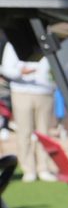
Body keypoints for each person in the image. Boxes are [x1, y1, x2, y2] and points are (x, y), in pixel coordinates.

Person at [2, 36, 60, 180]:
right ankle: (29, 169)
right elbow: (7, 69)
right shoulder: (12, 43)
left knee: (44, 132)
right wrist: (21, 72)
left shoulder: (45, 40)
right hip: (21, 92)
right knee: (24, 132)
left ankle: (44, 168)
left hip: (45, 92)